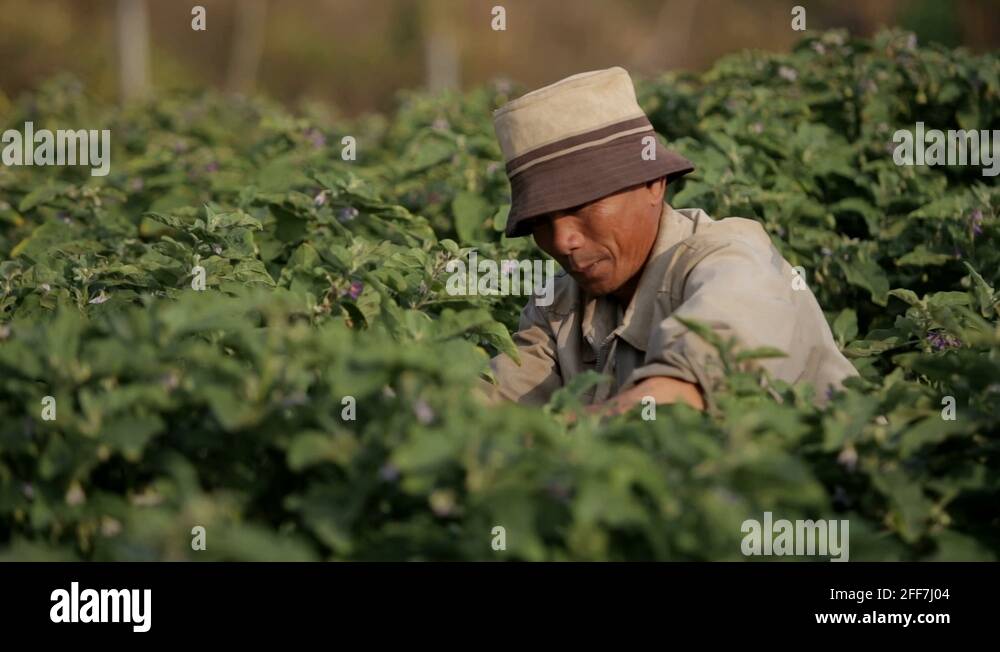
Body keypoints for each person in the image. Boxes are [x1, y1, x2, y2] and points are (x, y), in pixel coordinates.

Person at [481, 67, 858, 415]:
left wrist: (566, 440)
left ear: (653, 184)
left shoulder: (730, 260)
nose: (563, 240)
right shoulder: (557, 308)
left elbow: (676, 397)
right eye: (540, 223)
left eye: (582, 206)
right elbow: (494, 407)